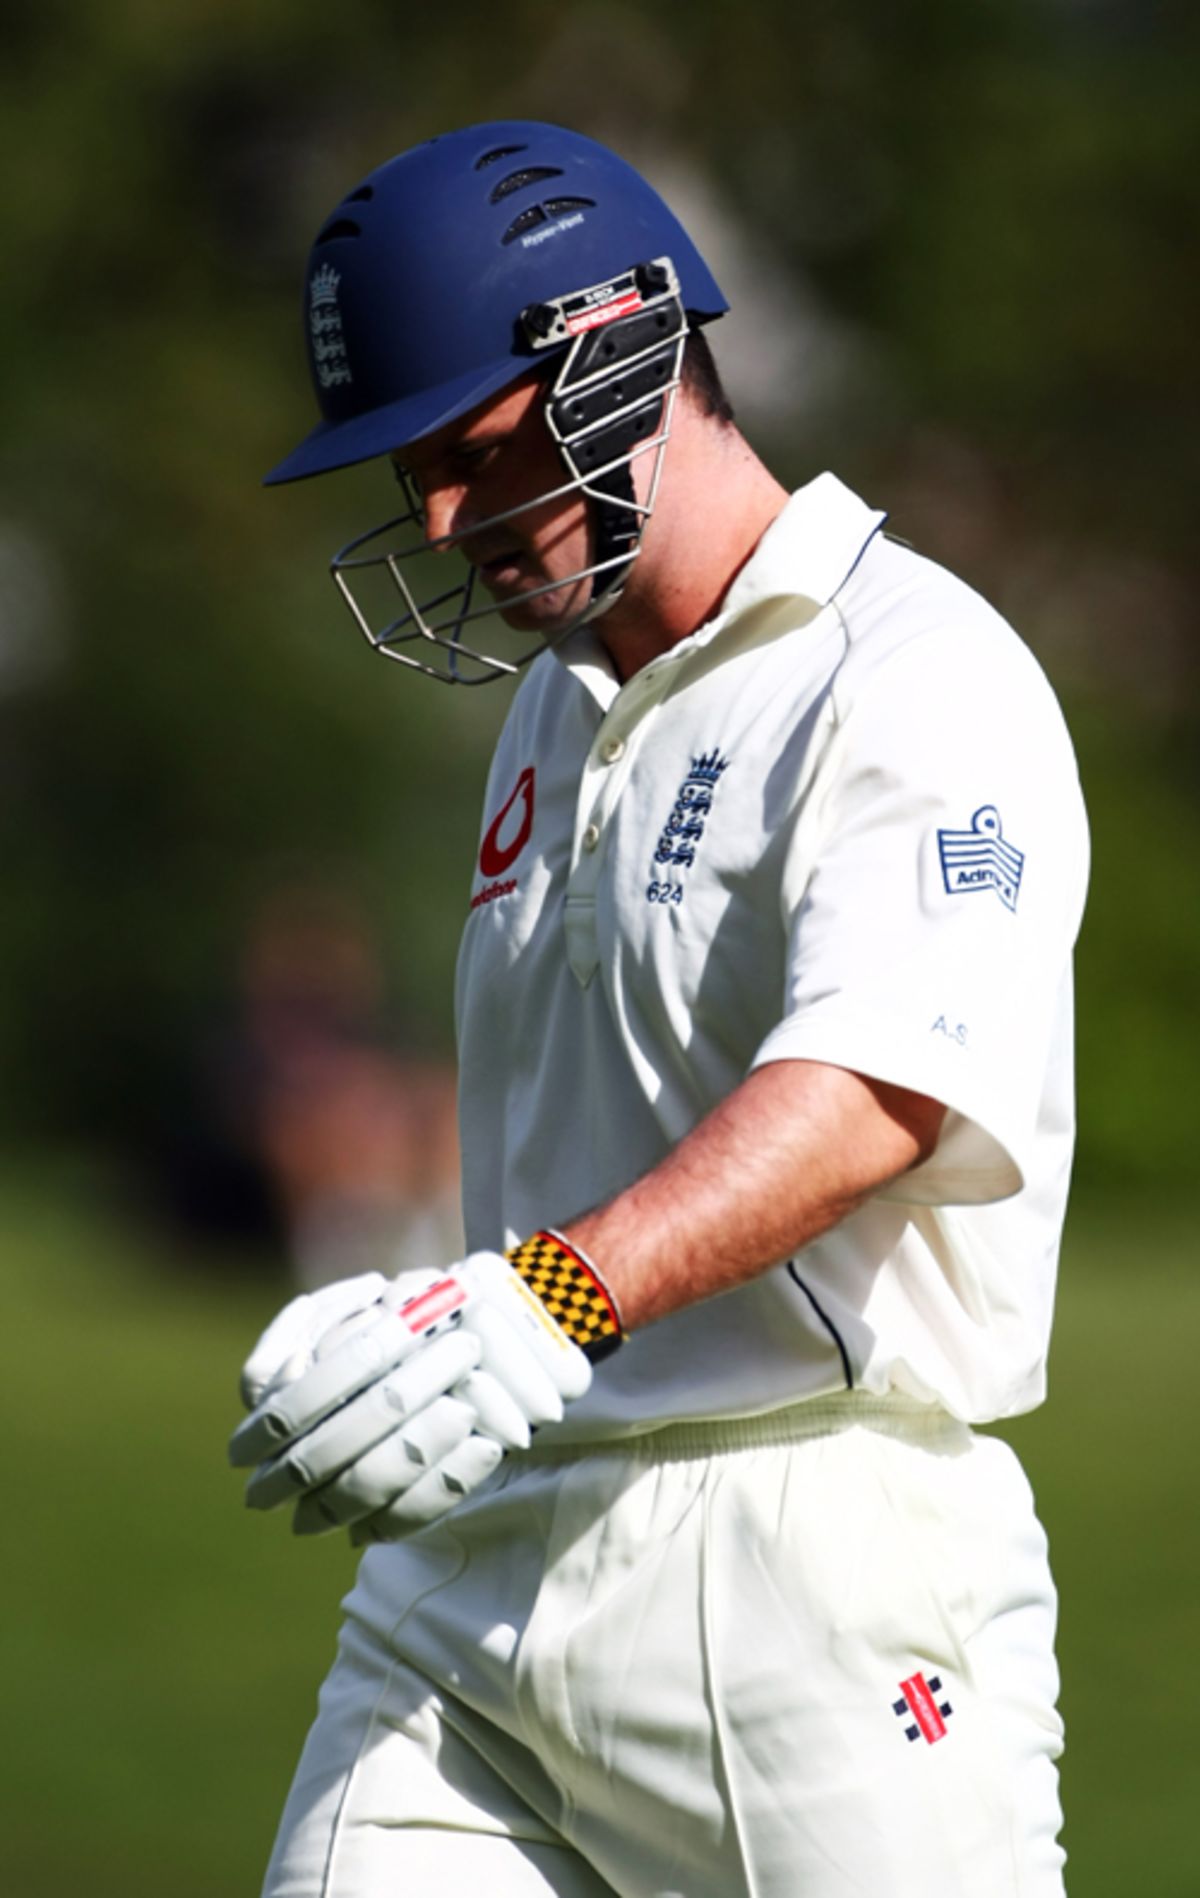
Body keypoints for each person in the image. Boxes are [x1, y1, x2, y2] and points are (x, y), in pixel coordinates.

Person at [232, 121, 1088, 1898]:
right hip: (482, 1569)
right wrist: (430, 1312)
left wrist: (547, 1297)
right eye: (416, 480)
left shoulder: (914, 674)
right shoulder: (555, 707)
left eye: (473, 455)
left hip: (814, 1577)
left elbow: (876, 1092)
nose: (445, 525)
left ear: (622, 346)